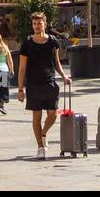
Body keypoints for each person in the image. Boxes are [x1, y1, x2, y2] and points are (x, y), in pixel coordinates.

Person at [17, 12, 71, 159]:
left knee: (53, 114)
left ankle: (43, 133)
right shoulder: (27, 43)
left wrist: (63, 76)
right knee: (36, 117)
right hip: (33, 84)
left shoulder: (53, 41)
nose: (36, 26)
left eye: (39, 23)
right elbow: (22, 68)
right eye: (34, 23)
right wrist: (20, 89)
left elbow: (56, 62)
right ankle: (40, 147)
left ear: (45, 24)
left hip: (50, 82)